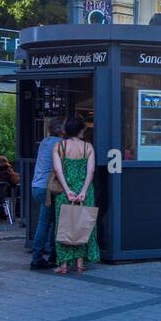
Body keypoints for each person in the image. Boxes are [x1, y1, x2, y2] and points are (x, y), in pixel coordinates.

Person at [50, 116, 99, 274]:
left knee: (64, 225)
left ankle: (63, 265)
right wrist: (83, 191)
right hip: (85, 191)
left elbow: (58, 170)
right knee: (83, 224)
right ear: (80, 131)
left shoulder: (59, 146)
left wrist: (67, 190)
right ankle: (80, 263)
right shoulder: (88, 147)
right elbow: (90, 170)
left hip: (66, 192)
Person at [29, 120, 62, 269]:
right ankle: (39, 258)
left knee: (48, 221)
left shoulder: (45, 142)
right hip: (48, 188)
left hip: (37, 185)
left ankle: (48, 255)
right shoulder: (61, 144)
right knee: (48, 222)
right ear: (62, 129)